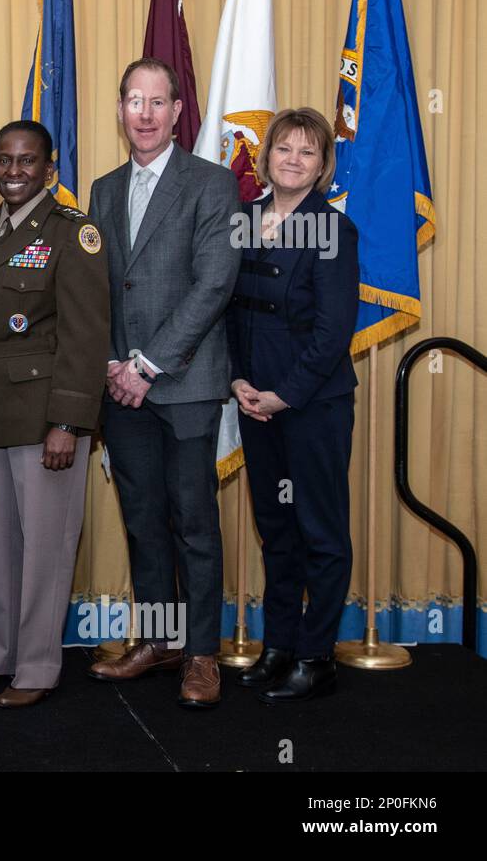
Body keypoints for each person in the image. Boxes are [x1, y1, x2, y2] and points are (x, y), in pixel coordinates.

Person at [85, 58, 240, 709]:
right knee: (143, 520)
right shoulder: (101, 188)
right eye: (133, 101)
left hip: (184, 384)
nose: (144, 114)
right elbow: (97, 290)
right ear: (119, 109)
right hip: (120, 388)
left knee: (194, 522)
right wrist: (112, 366)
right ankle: (160, 638)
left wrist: (148, 364)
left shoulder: (212, 185)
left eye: (157, 102)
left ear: (178, 112)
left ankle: (202, 653)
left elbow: (214, 286)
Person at [0, 120, 110, 708]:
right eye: (3, 161)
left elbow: (85, 337)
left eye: (27, 161)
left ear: (50, 169)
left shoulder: (74, 234)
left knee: (45, 544)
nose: (13, 172)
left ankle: (39, 666)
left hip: (45, 417)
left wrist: (69, 423)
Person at [226, 107, 359, 703]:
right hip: (254, 403)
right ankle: (278, 646)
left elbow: (333, 333)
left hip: (311, 406)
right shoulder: (244, 219)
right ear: (267, 155)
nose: (293, 160)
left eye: (307, 152)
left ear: (322, 165)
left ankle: (316, 655)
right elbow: (227, 308)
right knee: (276, 529)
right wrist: (238, 382)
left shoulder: (333, 229)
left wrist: (284, 395)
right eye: (284, 148)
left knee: (320, 532)